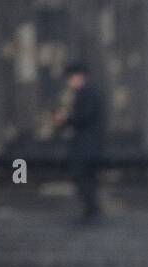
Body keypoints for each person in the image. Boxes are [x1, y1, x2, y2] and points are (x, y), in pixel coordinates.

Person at [53, 62, 106, 225]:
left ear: (78, 77)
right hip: (87, 143)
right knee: (85, 176)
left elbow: (84, 116)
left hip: (87, 144)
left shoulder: (87, 93)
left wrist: (65, 119)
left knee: (83, 176)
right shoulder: (86, 92)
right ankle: (91, 210)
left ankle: (92, 210)